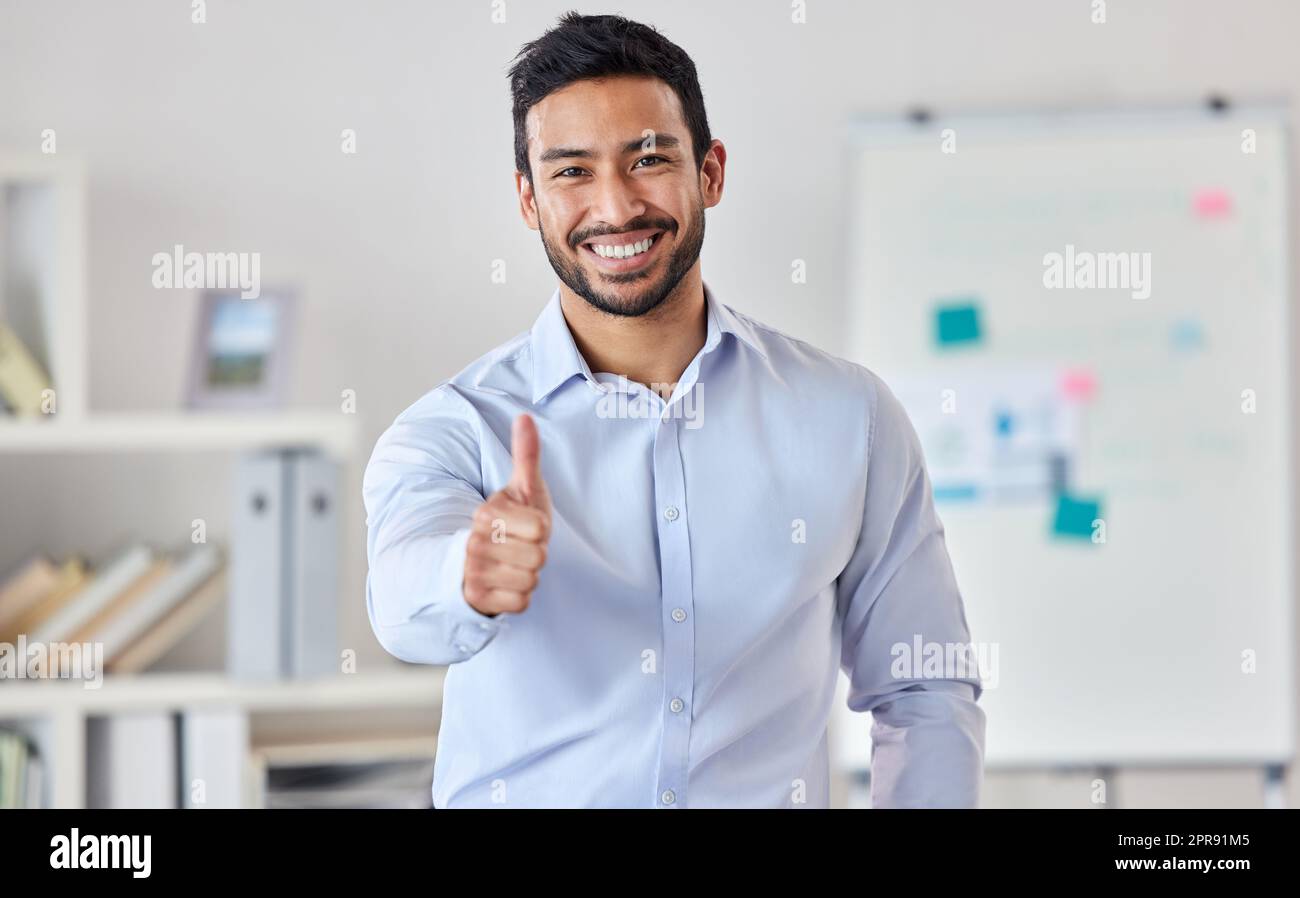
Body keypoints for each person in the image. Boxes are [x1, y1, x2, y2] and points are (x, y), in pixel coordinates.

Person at [363, 12, 985, 808]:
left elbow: (925, 690)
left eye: (648, 159)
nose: (617, 208)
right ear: (528, 199)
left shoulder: (849, 417)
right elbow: (402, 598)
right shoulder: (454, 430)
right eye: (571, 172)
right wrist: (469, 573)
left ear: (711, 172)